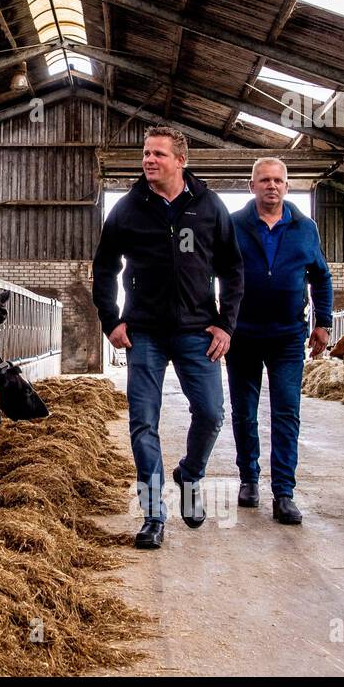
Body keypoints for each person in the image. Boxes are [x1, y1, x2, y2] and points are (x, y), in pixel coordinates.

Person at [93, 126, 244, 550]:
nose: (149, 160)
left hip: (199, 331)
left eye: (158, 154)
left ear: (181, 160)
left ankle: (191, 473)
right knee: (143, 423)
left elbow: (233, 270)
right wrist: (111, 320)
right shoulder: (127, 209)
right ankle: (152, 514)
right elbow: (104, 267)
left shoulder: (209, 207)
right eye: (146, 153)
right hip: (145, 332)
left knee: (212, 413)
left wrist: (226, 324)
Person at [226, 157, 332, 525]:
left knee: (286, 411)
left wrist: (324, 322)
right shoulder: (233, 225)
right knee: (244, 410)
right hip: (241, 334)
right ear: (251, 186)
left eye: (279, 181)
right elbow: (210, 272)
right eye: (264, 180)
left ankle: (284, 492)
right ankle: (249, 479)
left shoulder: (305, 228)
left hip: (288, 335)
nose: (272, 186)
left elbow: (321, 276)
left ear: (287, 187)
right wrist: (215, 321)